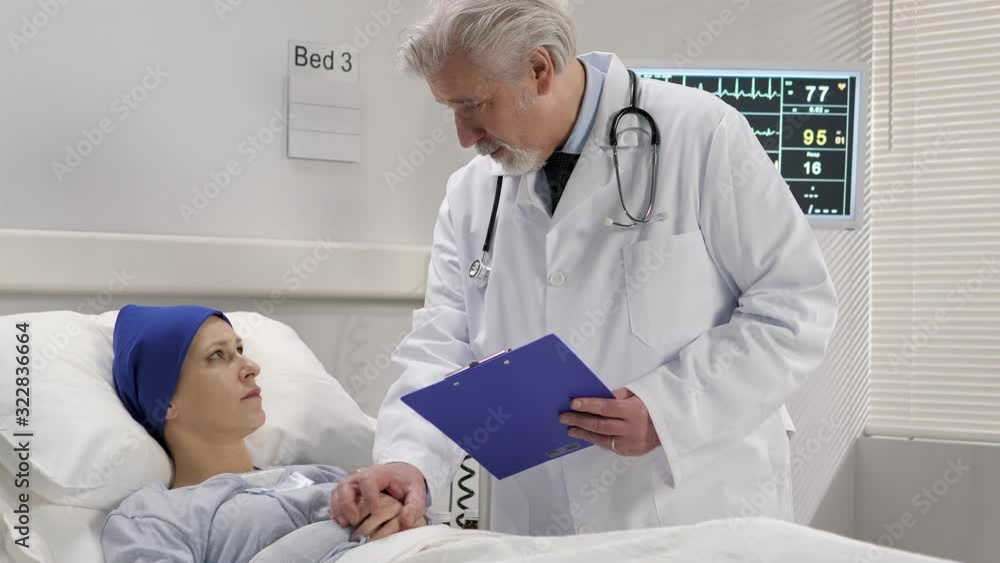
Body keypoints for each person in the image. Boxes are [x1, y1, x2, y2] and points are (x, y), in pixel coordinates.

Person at [331, 0, 837, 537]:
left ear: (539, 69)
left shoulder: (701, 134)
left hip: (695, 508)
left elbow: (794, 308)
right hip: (541, 522)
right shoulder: (473, 192)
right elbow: (443, 344)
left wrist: (668, 411)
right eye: (451, 109)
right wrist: (409, 461)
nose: (464, 135)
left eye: (473, 105)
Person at [101, 305, 426, 563]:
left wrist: (404, 517)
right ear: (166, 400)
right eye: (218, 355)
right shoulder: (155, 515)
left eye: (240, 349)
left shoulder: (328, 476)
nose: (251, 366)